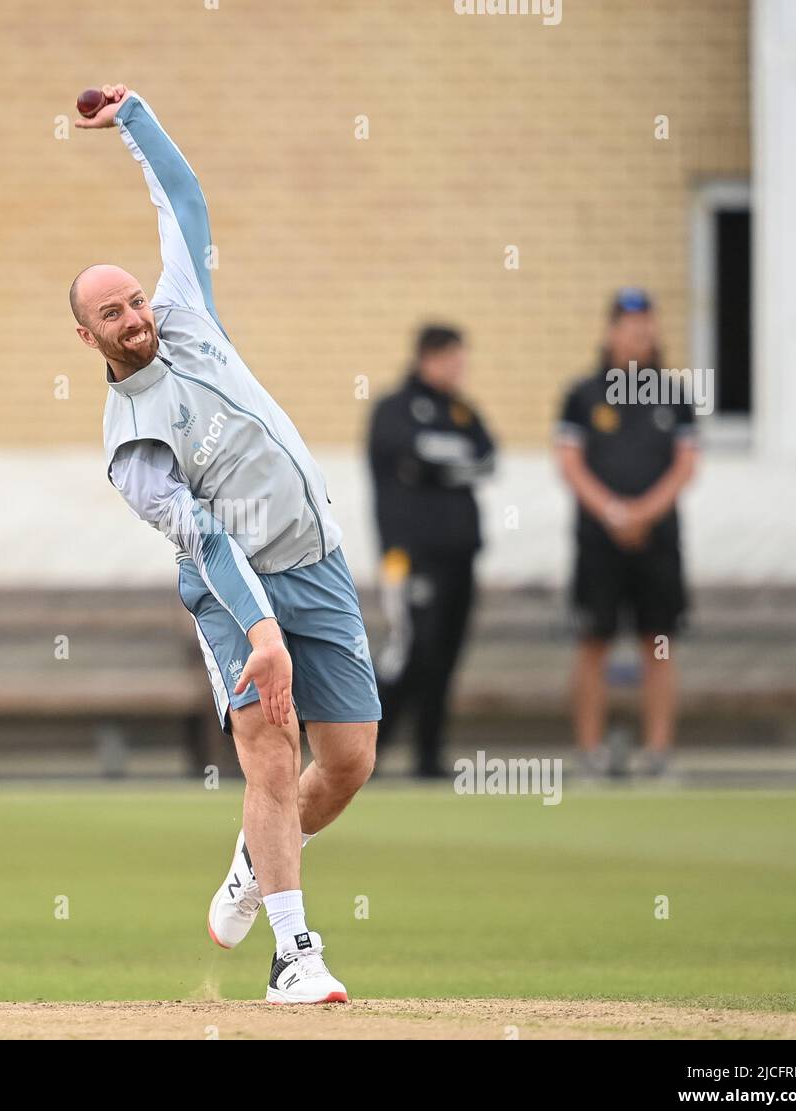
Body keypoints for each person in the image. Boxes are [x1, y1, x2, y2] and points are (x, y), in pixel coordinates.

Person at [69, 84, 380, 1004]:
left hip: (313, 559)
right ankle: (295, 957)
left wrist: (133, 116)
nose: (135, 317)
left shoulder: (188, 311)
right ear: (86, 337)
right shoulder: (130, 444)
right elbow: (203, 539)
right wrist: (262, 634)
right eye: (113, 315)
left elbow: (185, 200)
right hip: (232, 591)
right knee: (272, 759)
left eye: (134, 300)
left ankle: (253, 863)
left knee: (351, 761)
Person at [555, 288, 700, 776]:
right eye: (632, 328)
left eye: (648, 328)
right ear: (612, 332)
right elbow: (570, 463)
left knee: (657, 643)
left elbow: (686, 465)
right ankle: (590, 753)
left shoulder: (675, 394)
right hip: (599, 542)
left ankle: (657, 752)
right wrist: (614, 513)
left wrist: (644, 513)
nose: (642, 337)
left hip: (657, 541)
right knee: (593, 641)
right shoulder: (583, 395)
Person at [368, 326, 496, 777]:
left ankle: (428, 756)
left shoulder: (462, 410)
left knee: (445, 655)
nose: (458, 370)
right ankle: (365, 751)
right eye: (452, 360)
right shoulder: (394, 409)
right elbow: (409, 457)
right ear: (428, 357)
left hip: (460, 556)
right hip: (410, 557)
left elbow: (486, 459)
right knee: (412, 650)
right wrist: (444, 462)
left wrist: (436, 464)